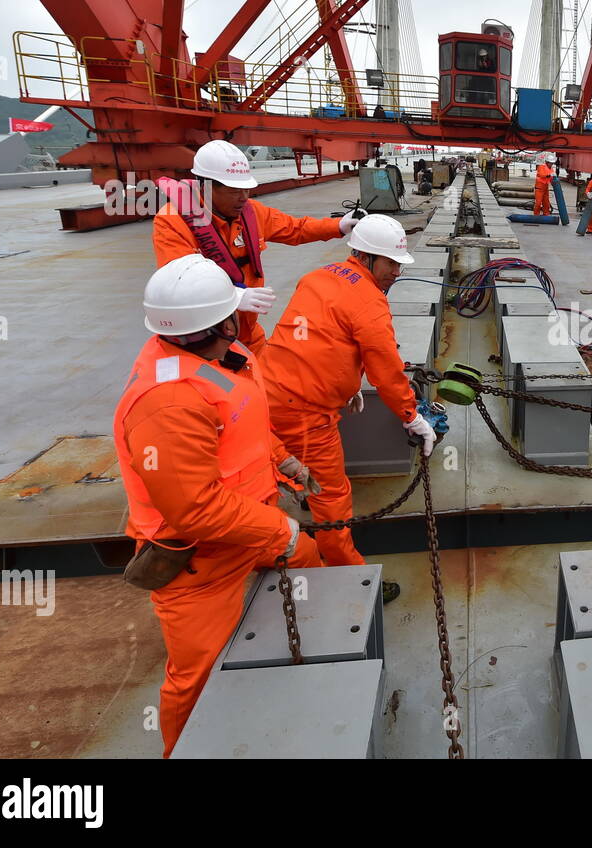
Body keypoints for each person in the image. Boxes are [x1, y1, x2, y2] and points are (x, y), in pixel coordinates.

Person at [114, 255, 324, 757]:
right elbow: (196, 511)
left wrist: (286, 463)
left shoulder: (222, 358)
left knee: (310, 561)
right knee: (196, 677)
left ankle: (312, 663)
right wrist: (281, 532)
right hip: (199, 563)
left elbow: (244, 422)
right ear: (223, 322)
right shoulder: (168, 402)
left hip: (250, 528)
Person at [260, 215, 438, 570]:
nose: (396, 273)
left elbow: (319, 337)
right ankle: (346, 572)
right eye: (391, 263)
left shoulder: (318, 277)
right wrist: (413, 416)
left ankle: (271, 531)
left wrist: (349, 385)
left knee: (268, 473)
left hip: (264, 393)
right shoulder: (370, 304)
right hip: (305, 414)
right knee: (332, 495)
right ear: (367, 257)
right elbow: (387, 373)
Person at [153, 140, 361, 355]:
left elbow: (295, 229)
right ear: (205, 187)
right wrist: (232, 296)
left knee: (263, 381)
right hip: (204, 340)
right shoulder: (173, 221)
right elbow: (179, 283)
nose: (244, 198)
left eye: (247, 190)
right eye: (234, 191)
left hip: (249, 333)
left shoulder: (251, 213)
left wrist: (338, 226)